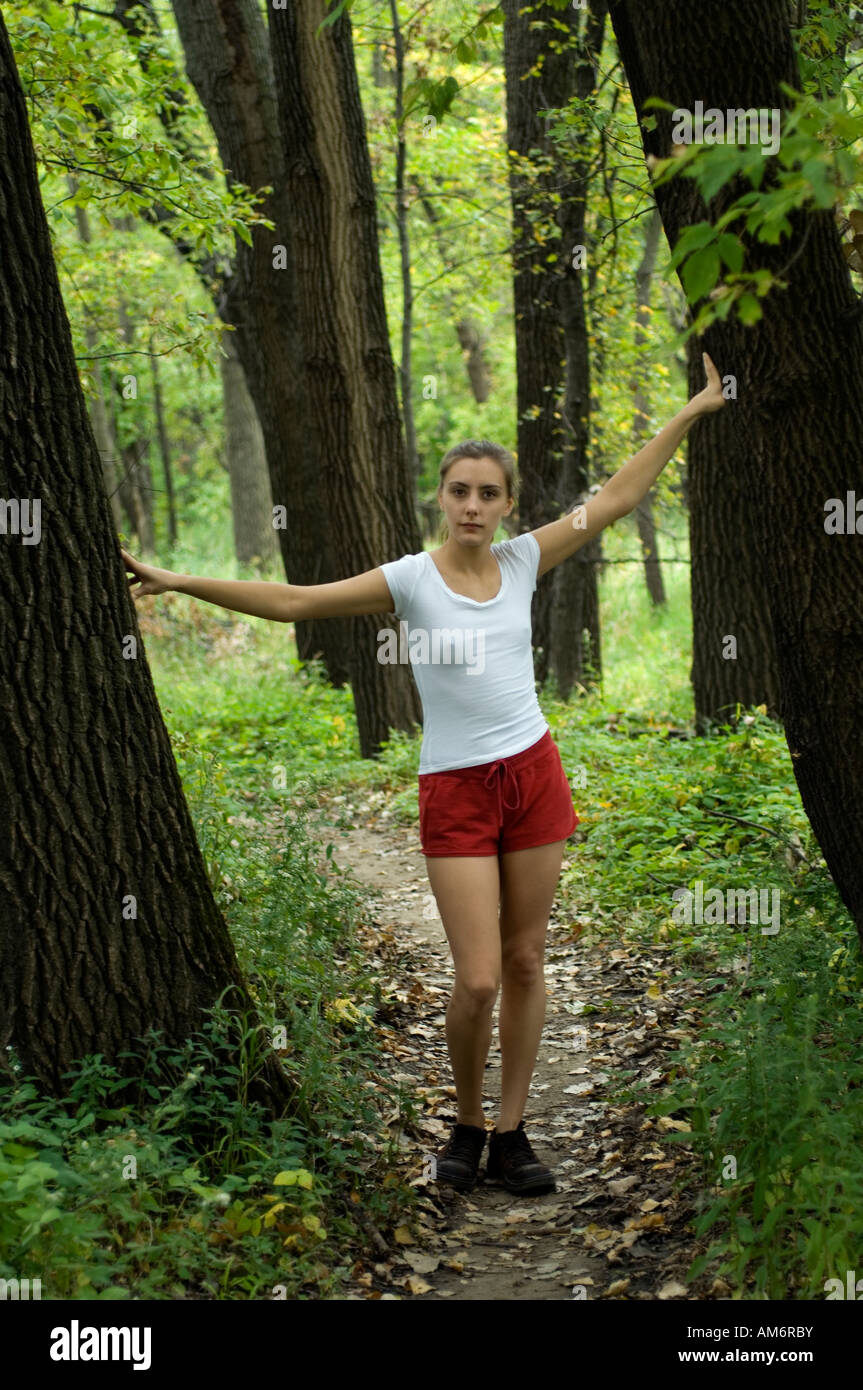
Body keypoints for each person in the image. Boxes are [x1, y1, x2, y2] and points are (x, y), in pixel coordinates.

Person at [121, 352, 725, 1198]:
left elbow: (619, 497)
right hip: (456, 788)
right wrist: (179, 579)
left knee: (522, 963)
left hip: (533, 776)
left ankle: (513, 1133)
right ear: (440, 499)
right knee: (474, 975)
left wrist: (691, 411)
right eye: (459, 491)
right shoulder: (409, 581)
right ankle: (467, 1122)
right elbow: (297, 600)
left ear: (508, 504)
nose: (473, 505)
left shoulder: (522, 562)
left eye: (488, 493)